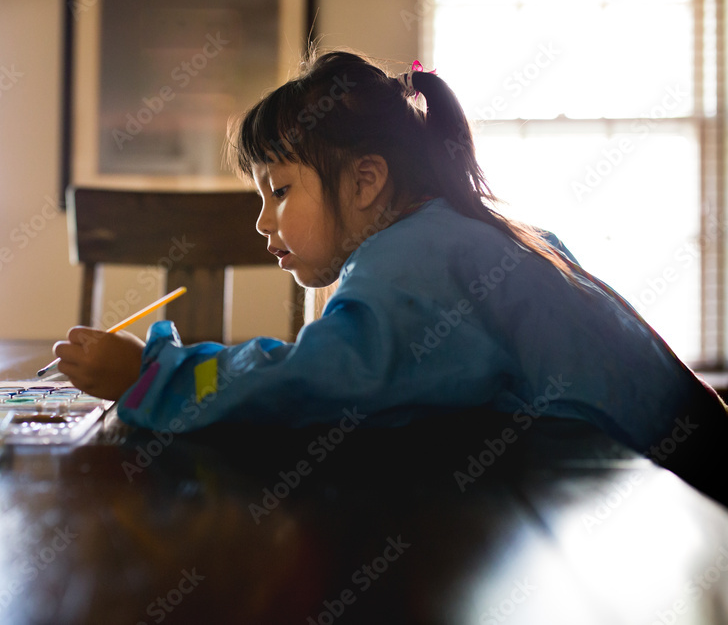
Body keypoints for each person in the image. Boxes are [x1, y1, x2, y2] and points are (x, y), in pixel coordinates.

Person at [54, 49, 728, 503]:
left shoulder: (415, 256)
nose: (263, 222)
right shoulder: (465, 234)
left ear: (366, 179)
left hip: (673, 512)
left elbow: (312, 381)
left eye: (280, 191)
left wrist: (151, 374)